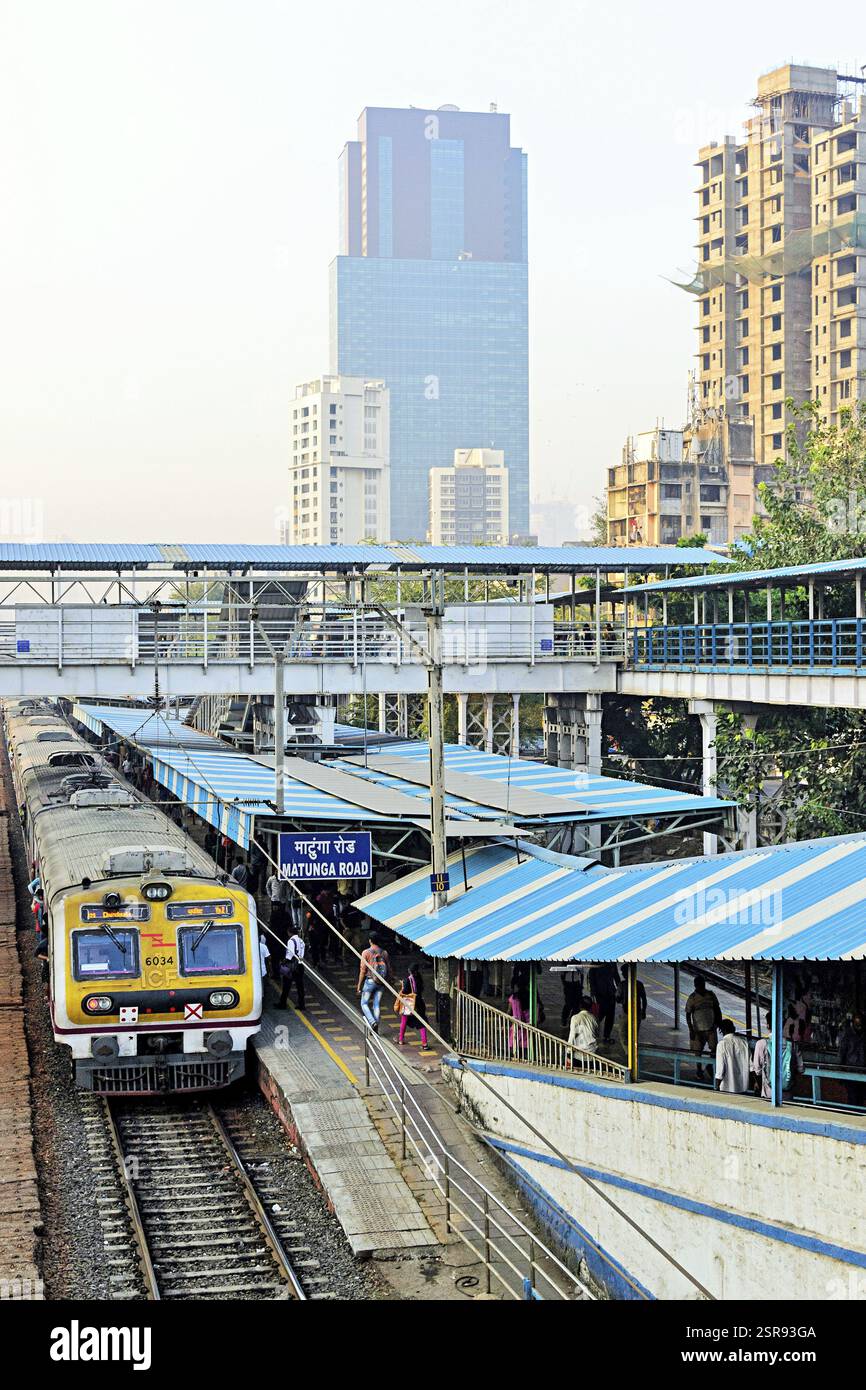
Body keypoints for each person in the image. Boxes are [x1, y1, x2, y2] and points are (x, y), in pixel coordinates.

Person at [752, 1010, 802, 1101]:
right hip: (788, 1093)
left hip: (768, 1093)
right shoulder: (793, 1045)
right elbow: (801, 1069)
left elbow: (757, 1070)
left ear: (768, 1025)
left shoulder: (762, 1044)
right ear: (782, 1025)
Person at [685, 974, 723, 1080]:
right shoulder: (692, 998)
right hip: (698, 1030)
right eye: (698, 984)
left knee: (714, 1050)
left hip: (711, 1028)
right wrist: (691, 1029)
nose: (700, 986)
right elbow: (688, 1014)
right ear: (695, 985)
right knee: (698, 1052)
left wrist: (719, 1023)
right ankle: (699, 1070)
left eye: (701, 984)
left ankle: (709, 1066)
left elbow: (717, 1009)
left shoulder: (711, 995)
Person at [357, 932, 390, 1032]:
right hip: (381, 983)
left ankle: (372, 1022)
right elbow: (389, 968)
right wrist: (390, 980)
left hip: (370, 982)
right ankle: (376, 1026)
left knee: (364, 1003)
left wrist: (359, 985)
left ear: (370, 941)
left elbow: (363, 970)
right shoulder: (384, 953)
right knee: (376, 1004)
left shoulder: (366, 953)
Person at [396, 962, 429, 1050]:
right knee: (421, 1023)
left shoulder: (408, 980)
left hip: (409, 1004)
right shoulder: (419, 979)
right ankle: (424, 1043)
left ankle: (401, 1039)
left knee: (404, 1020)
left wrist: (402, 986)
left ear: (409, 971)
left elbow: (405, 991)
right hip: (419, 1004)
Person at [714, 1019, 751, 1095]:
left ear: (721, 1030)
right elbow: (752, 1066)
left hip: (727, 1088)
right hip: (743, 1087)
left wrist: (716, 1086)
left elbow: (720, 1070)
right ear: (733, 1029)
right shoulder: (744, 1042)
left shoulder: (722, 1044)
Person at [589, 963, 621, 1043]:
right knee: (598, 1015)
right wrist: (593, 993)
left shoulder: (612, 963)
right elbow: (591, 979)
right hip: (599, 994)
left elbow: (616, 976)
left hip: (610, 993)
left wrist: (619, 989)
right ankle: (592, 1034)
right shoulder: (595, 963)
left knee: (610, 1016)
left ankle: (606, 1036)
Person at [838, 1014, 865, 1108]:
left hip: (862, 1071)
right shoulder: (847, 1034)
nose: (859, 1026)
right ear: (853, 1023)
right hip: (850, 1070)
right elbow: (842, 1053)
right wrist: (841, 1071)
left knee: (861, 1097)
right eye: (857, 1023)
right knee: (852, 1097)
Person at [279, 928, 306, 1010]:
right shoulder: (301, 941)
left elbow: (290, 954)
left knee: (286, 985)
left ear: (289, 932)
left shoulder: (291, 941)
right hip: (300, 965)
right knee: (300, 986)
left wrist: (284, 962)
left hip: (292, 966)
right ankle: (302, 1005)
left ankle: (282, 1003)